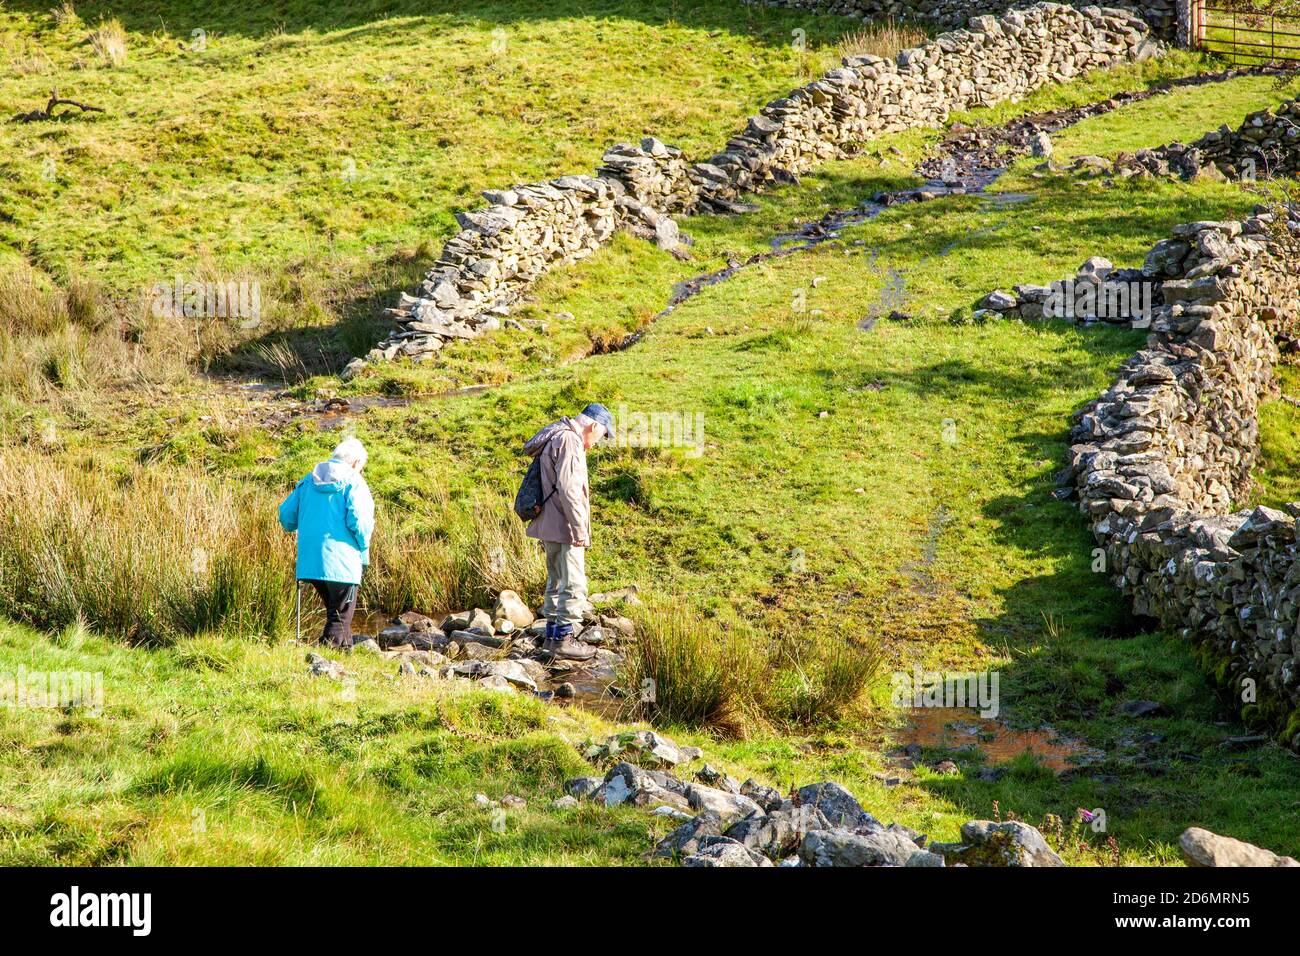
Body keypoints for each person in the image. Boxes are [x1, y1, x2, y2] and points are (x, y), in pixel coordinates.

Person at [521, 403, 614, 661]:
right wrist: (578, 529)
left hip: (548, 523)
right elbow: (570, 490)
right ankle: (563, 640)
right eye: (602, 435)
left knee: (556, 580)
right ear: (593, 426)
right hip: (565, 525)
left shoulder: (556, 434)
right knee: (573, 583)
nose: (598, 442)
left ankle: (551, 639)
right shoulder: (571, 441)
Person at [278, 437, 375, 649]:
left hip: (310, 562)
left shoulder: (308, 481)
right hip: (342, 561)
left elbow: (286, 517)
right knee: (340, 617)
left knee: (337, 613)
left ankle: (343, 661)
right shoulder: (354, 482)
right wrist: (363, 548)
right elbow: (360, 522)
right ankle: (324, 662)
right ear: (356, 463)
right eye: (362, 467)